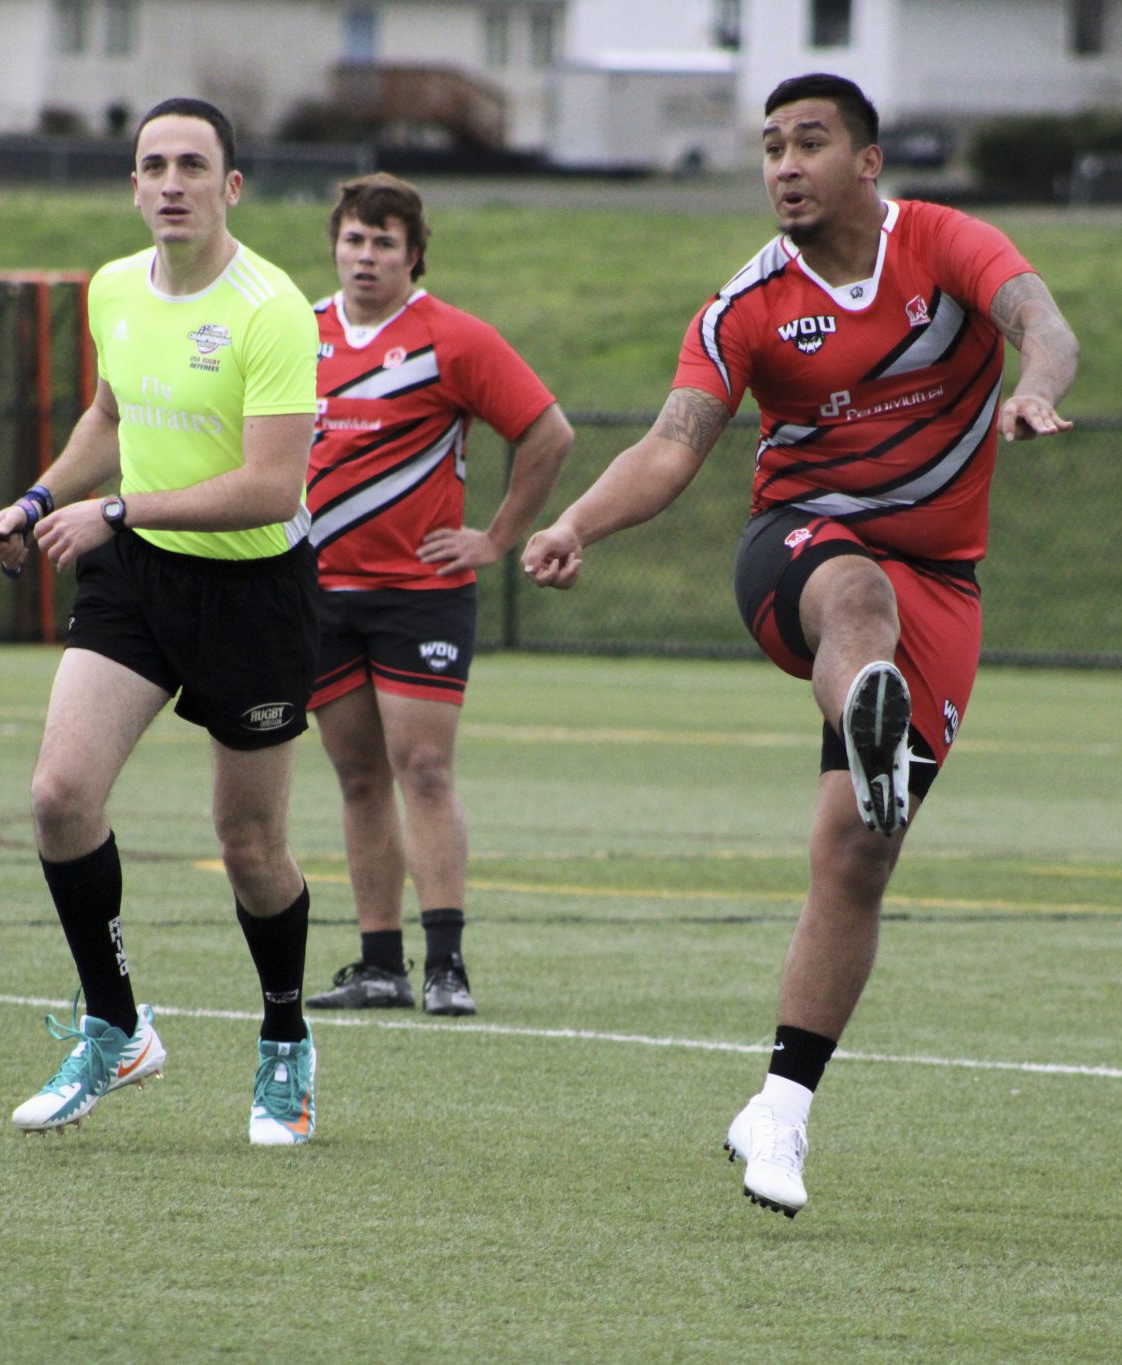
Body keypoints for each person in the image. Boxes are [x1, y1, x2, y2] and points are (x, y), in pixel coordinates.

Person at [522, 73, 1079, 1216]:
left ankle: (777, 1111)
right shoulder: (746, 304)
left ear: (865, 162)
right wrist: (575, 521)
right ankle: (869, 710)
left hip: (945, 586)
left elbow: (1042, 322)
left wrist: (1032, 389)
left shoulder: (943, 244)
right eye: (769, 145)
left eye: (807, 142)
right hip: (796, 552)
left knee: (854, 857)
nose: (783, 164)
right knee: (858, 599)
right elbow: (674, 448)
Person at [0, 97, 326, 1147]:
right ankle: (116, 1029)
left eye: (193, 164)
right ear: (131, 185)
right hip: (137, 582)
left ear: (232, 187)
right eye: (152, 164)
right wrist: (37, 501)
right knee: (58, 795)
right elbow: (112, 414)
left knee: (251, 846)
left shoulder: (272, 309)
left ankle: (284, 1049)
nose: (170, 181)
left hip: (254, 595)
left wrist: (114, 508)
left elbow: (271, 488)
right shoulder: (114, 287)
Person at [301, 173, 573, 1017]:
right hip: (316, 591)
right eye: (355, 239)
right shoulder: (294, 335)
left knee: (422, 767)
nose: (367, 256)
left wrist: (496, 536)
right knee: (355, 776)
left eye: (386, 242)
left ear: (415, 255)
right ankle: (378, 961)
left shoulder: (451, 337)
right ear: (336, 247)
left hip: (421, 593)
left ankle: (445, 962)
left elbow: (547, 432)